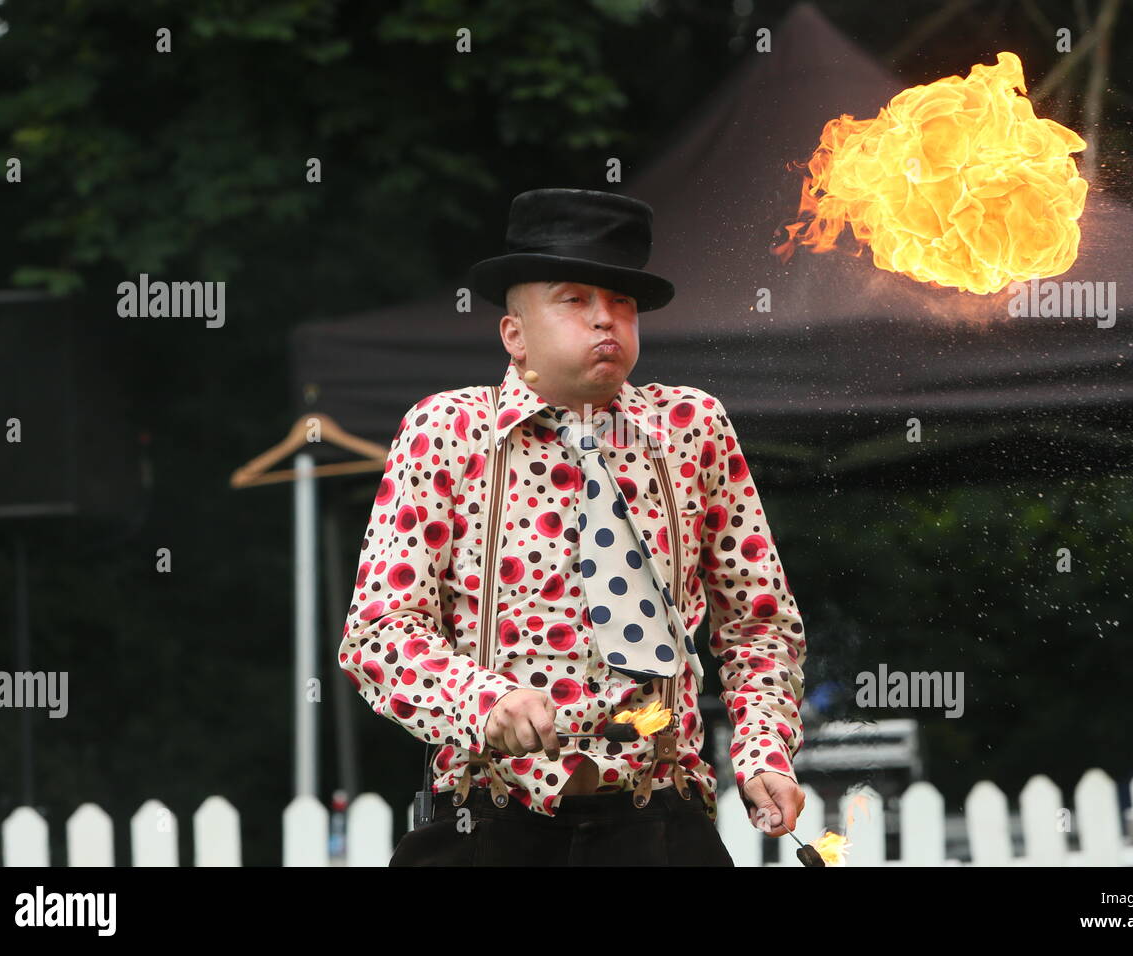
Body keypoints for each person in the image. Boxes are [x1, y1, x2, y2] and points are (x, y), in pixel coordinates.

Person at [340, 187, 808, 865]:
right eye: (574, 299)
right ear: (514, 333)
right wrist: (484, 702)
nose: (606, 321)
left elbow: (758, 621)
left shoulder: (693, 427)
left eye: (623, 304)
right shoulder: (447, 430)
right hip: (488, 824)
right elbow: (378, 633)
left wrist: (765, 747)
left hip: (659, 825)